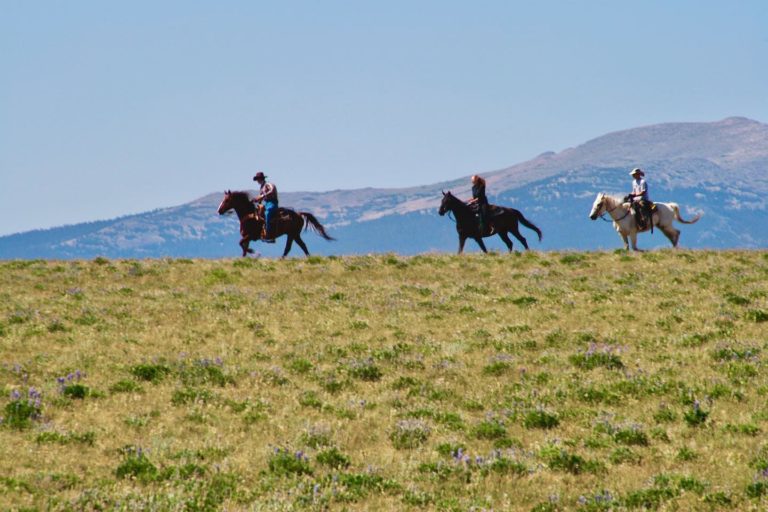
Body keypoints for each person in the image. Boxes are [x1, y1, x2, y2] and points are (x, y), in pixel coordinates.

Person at [252, 171, 278, 242]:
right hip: (266, 203)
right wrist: (255, 200)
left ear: (261, 178)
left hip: (272, 203)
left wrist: (263, 196)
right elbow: (260, 197)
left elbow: (272, 190)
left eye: (258, 179)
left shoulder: (269, 184)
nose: (257, 181)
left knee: (267, 213)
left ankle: (269, 234)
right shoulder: (261, 187)